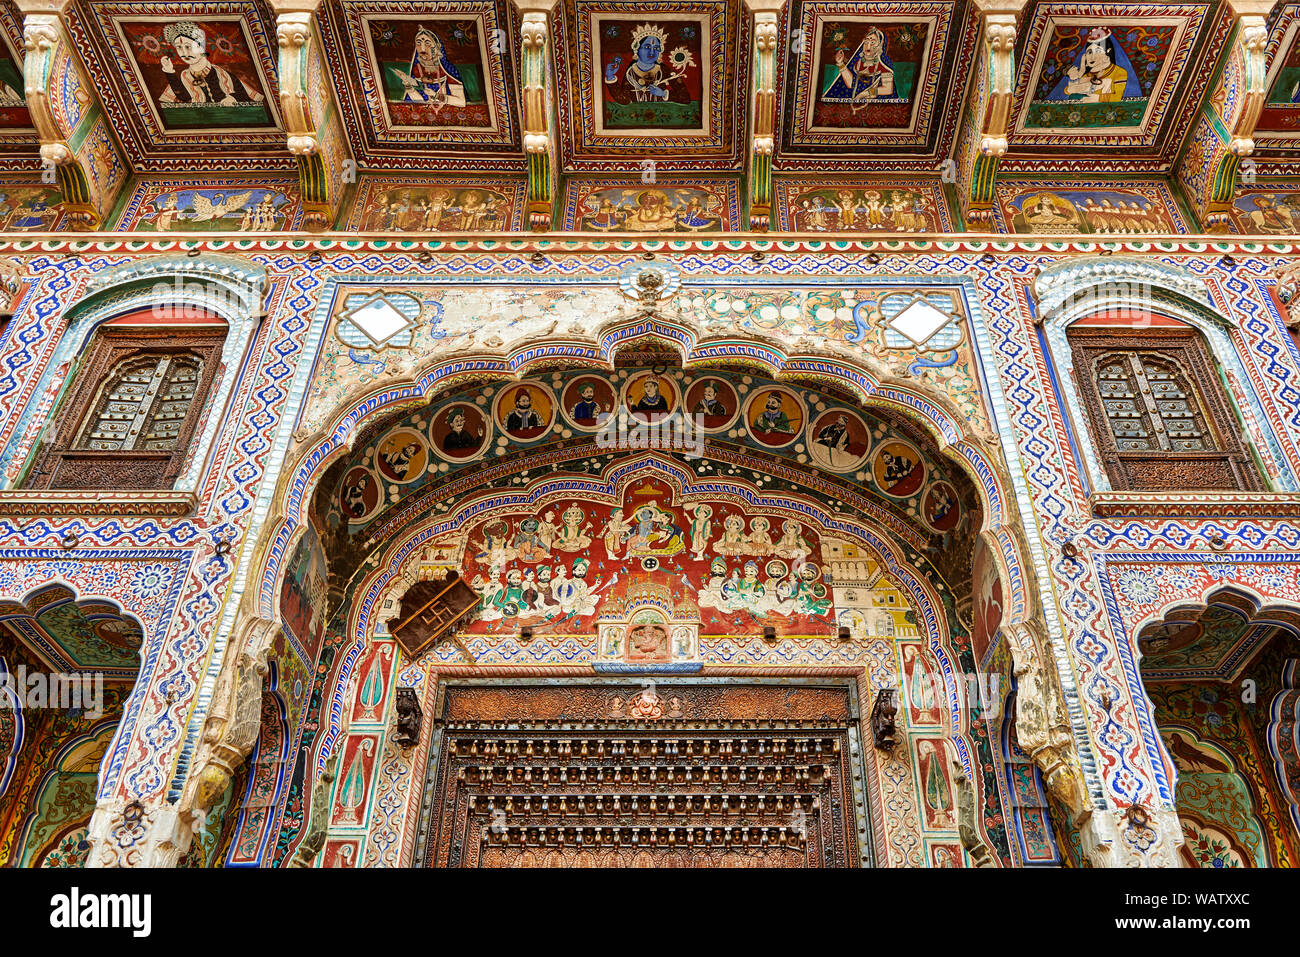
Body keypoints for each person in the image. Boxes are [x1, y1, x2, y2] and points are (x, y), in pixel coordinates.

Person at [159, 22, 266, 107]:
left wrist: (232, 98)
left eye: (188, 46)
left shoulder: (222, 74)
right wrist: (169, 71)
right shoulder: (184, 76)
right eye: (179, 47)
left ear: (201, 46)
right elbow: (184, 96)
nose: (184, 53)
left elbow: (243, 95)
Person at [394, 27, 465, 110]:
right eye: (418, 43)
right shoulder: (417, 69)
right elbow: (418, 101)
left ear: (438, 46)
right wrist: (408, 85)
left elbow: (461, 102)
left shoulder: (448, 69)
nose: (423, 48)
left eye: (427, 43)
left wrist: (436, 96)